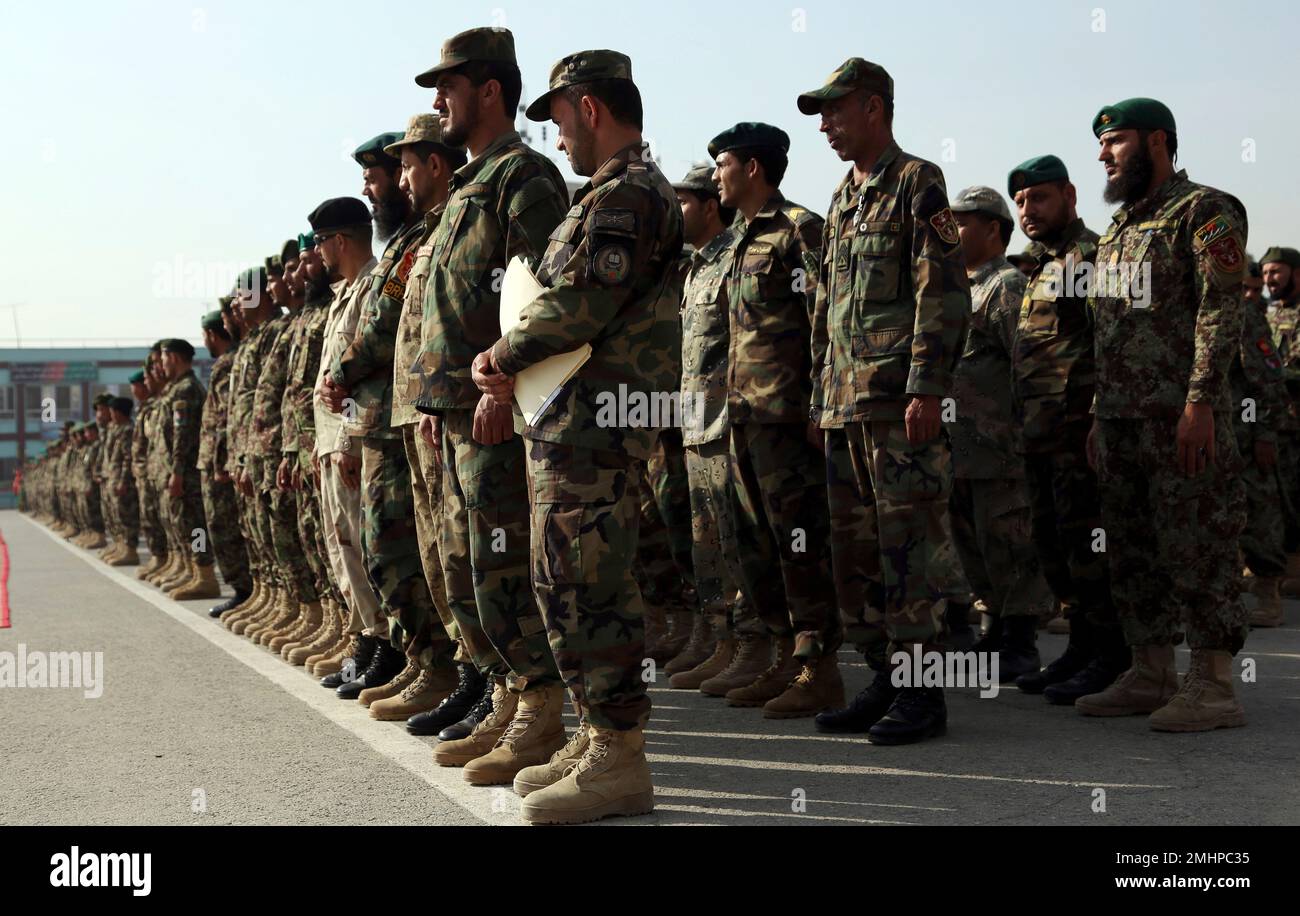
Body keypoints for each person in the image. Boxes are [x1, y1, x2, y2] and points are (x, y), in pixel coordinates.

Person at [473, 48, 682, 822]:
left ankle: (620, 756)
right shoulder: (599, 196)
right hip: (568, 414)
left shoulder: (628, 196)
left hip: (598, 419)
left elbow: (582, 304)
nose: (557, 136)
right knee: (562, 577)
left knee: (589, 580)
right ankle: (600, 733)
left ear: (589, 108)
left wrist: (500, 354)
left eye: (559, 118)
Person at [411, 26, 572, 780]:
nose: (439, 101)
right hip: (450, 411)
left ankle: (540, 708)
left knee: (504, 563)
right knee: (471, 564)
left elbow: (539, 297)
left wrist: (507, 384)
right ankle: (511, 696)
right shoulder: (468, 187)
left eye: (449, 86)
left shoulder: (524, 177)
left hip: (494, 408)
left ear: (491, 91)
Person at [798, 58, 969, 744]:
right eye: (820, 114)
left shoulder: (917, 182)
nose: (825, 124)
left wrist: (926, 387)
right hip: (845, 409)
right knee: (856, 556)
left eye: (835, 110)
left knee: (909, 553)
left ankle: (924, 695)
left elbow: (943, 292)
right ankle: (885, 678)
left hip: (899, 407)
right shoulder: (843, 197)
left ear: (874, 108)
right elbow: (825, 308)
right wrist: (818, 395)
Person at [1078, 97, 1249, 732]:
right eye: (1100, 144)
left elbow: (1220, 310)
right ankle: (1151, 672)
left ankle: (1214, 686)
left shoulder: (1205, 210)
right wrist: (1100, 412)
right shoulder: (1119, 230)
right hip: (1122, 417)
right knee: (1134, 549)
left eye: (1114, 141)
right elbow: (1110, 332)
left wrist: (1201, 402)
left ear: (1157, 140)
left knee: (1199, 542)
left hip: (1181, 416)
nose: (1103, 154)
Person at [701, 121, 842, 717]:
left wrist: (819, 403)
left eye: (722, 163)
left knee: (799, 542)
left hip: (785, 418)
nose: (715, 175)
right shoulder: (732, 243)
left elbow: (827, 318)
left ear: (752, 168)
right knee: (754, 547)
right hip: (739, 418)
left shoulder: (799, 231)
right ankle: (785, 656)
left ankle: (821, 669)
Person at [1005, 155, 1125, 703]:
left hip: (1077, 430)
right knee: (1053, 545)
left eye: (1040, 199)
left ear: (1070, 197)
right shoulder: (1037, 266)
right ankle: (1080, 646)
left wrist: (1100, 416)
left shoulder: (1091, 257)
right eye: (1022, 202)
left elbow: (1114, 343)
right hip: (1038, 430)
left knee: (1088, 545)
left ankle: (1113, 654)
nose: (1028, 211)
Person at [946, 185, 1054, 681]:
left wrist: (1028, 434)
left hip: (999, 448)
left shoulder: (1006, 286)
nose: (951, 229)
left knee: (1009, 544)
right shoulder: (955, 285)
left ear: (993, 230)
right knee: (973, 545)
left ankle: (1020, 641)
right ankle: (994, 634)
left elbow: (1027, 364)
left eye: (963, 221)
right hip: (959, 449)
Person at [198, 306, 252, 615]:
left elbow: (227, 418)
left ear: (210, 334)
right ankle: (242, 590)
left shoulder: (230, 363)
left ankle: (245, 589)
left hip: (227, 461)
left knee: (231, 527)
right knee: (221, 526)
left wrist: (223, 461)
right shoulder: (224, 364)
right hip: (219, 461)